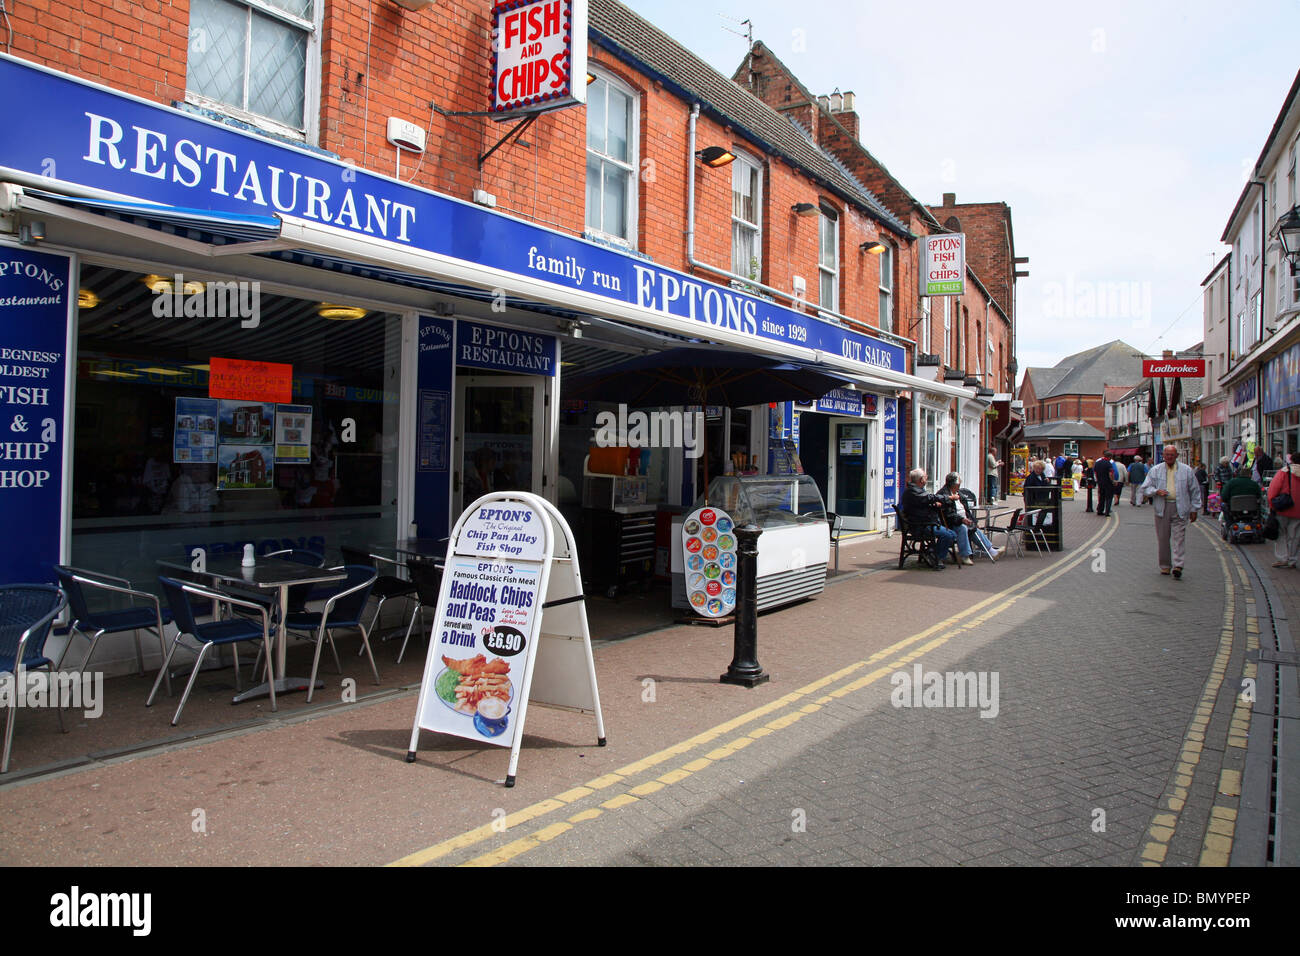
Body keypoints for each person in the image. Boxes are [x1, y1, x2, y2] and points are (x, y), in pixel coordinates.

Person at [1139, 444, 1202, 579]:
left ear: (1177, 456)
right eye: (1167, 455)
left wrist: (1194, 508)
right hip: (1162, 508)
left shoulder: (1186, 470)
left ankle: (1178, 565)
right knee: (1163, 538)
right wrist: (1156, 491)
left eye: (1172, 455)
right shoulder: (1156, 470)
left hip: (1180, 507)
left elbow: (1194, 490)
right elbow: (1145, 488)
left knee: (1179, 538)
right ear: (1163, 456)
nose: (1169, 457)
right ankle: (1165, 566)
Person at [902, 467, 957, 571]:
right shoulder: (913, 491)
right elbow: (929, 497)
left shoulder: (915, 490)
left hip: (923, 523)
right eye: (926, 476)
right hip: (920, 526)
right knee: (948, 535)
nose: (927, 478)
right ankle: (936, 558)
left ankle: (932, 552)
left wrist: (933, 504)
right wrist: (948, 498)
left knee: (952, 534)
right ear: (921, 479)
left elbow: (923, 502)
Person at [941, 472, 999, 563]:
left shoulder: (959, 494)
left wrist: (973, 521)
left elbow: (967, 511)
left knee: (973, 527)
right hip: (950, 523)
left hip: (962, 520)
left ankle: (991, 550)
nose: (959, 486)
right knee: (963, 528)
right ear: (954, 484)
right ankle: (965, 555)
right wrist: (962, 520)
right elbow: (948, 515)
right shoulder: (945, 495)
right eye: (958, 484)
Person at [1267, 449, 1300, 569]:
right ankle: (1293, 559)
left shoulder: (1284, 472)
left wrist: (1272, 505)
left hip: (1283, 508)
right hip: (1298, 512)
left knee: (1281, 533)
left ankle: (1282, 558)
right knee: (1295, 536)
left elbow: (1273, 490)